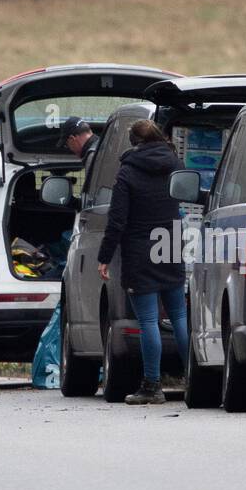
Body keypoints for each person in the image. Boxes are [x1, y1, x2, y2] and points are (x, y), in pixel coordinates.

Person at [97, 119, 187, 405]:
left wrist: (104, 256)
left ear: (134, 142)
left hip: (140, 250)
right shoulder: (175, 163)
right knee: (180, 317)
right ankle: (196, 378)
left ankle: (152, 385)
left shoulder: (128, 172)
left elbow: (117, 219)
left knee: (149, 320)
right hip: (171, 243)